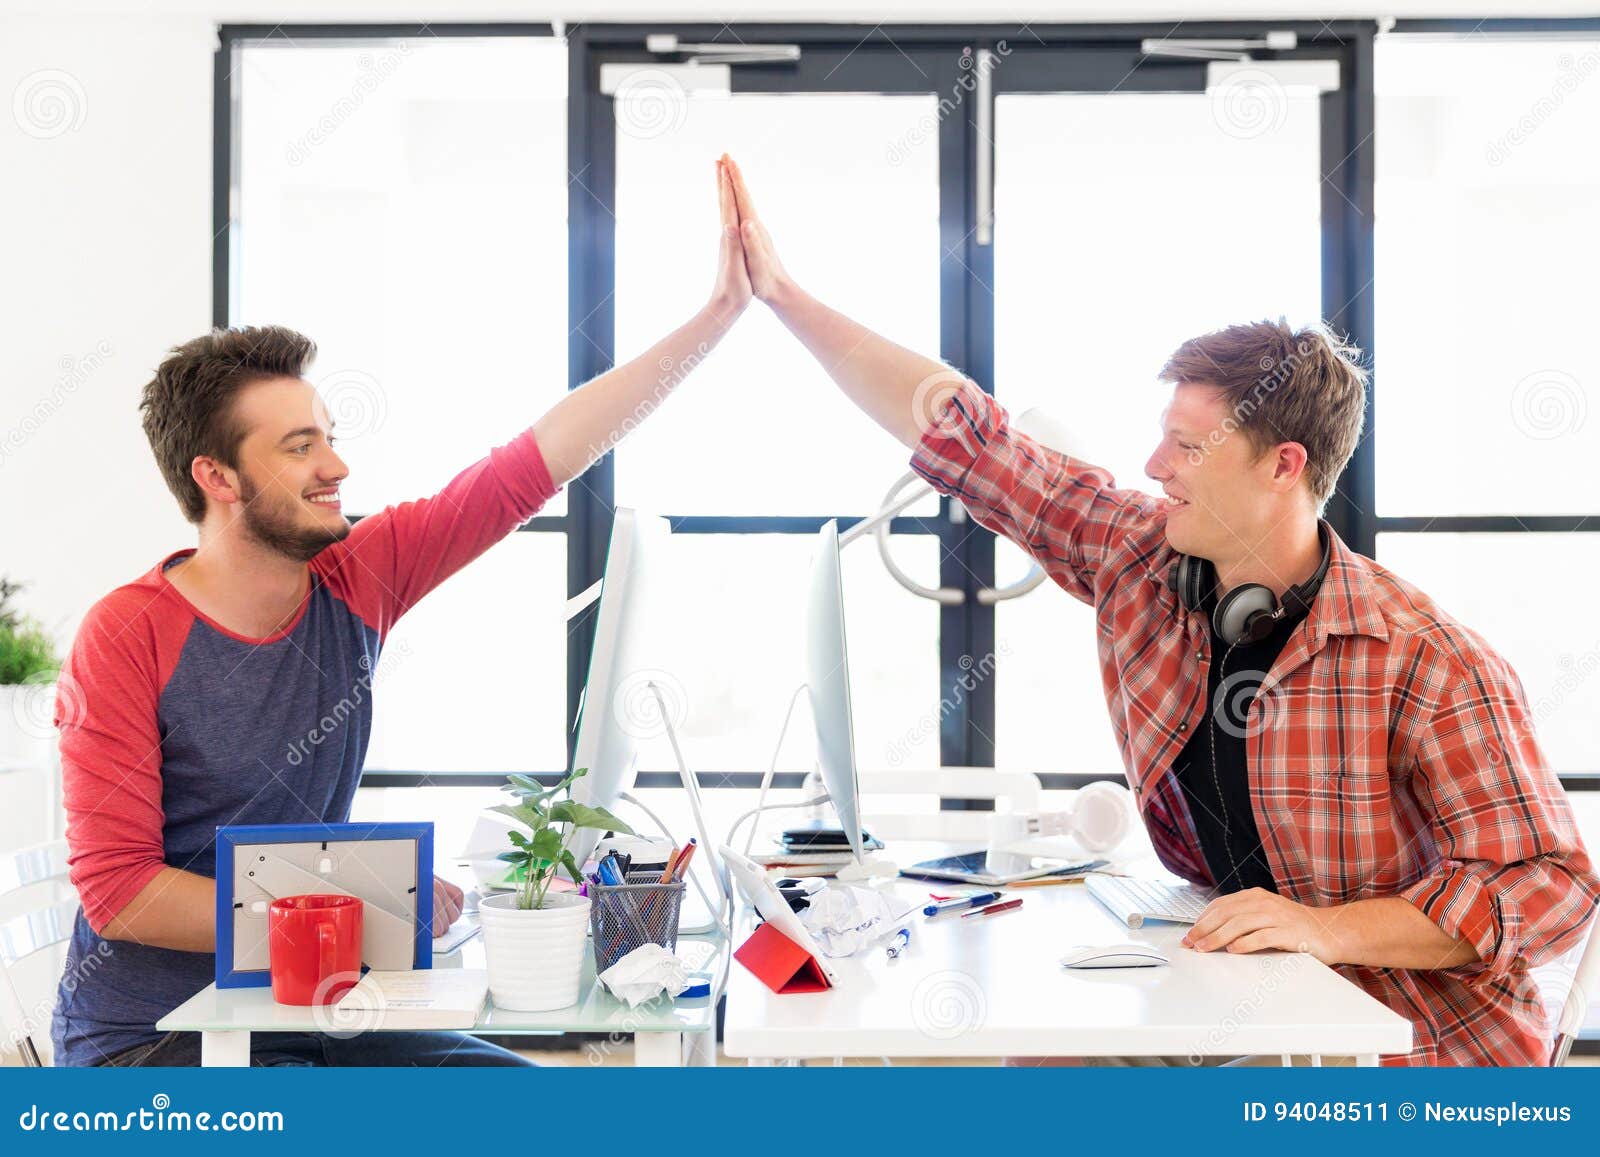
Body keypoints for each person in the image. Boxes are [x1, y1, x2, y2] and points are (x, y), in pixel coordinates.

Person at [718, 155, 1599, 1066]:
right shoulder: (1146, 559)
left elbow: (1550, 884)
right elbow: (971, 442)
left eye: (1183, 445)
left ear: (1283, 465)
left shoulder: (1424, 658)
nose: (1152, 466)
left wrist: (1325, 929)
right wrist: (784, 298)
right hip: (1247, 1001)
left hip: (1421, 1048)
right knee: (1036, 1065)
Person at [51, 161, 755, 1068]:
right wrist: (365, 909)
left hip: (309, 1007)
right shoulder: (127, 633)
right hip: (152, 1044)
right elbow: (122, 895)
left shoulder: (354, 575)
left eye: (331, 438)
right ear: (216, 479)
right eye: (301, 447)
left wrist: (715, 321)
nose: (336, 467)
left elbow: (521, 471)